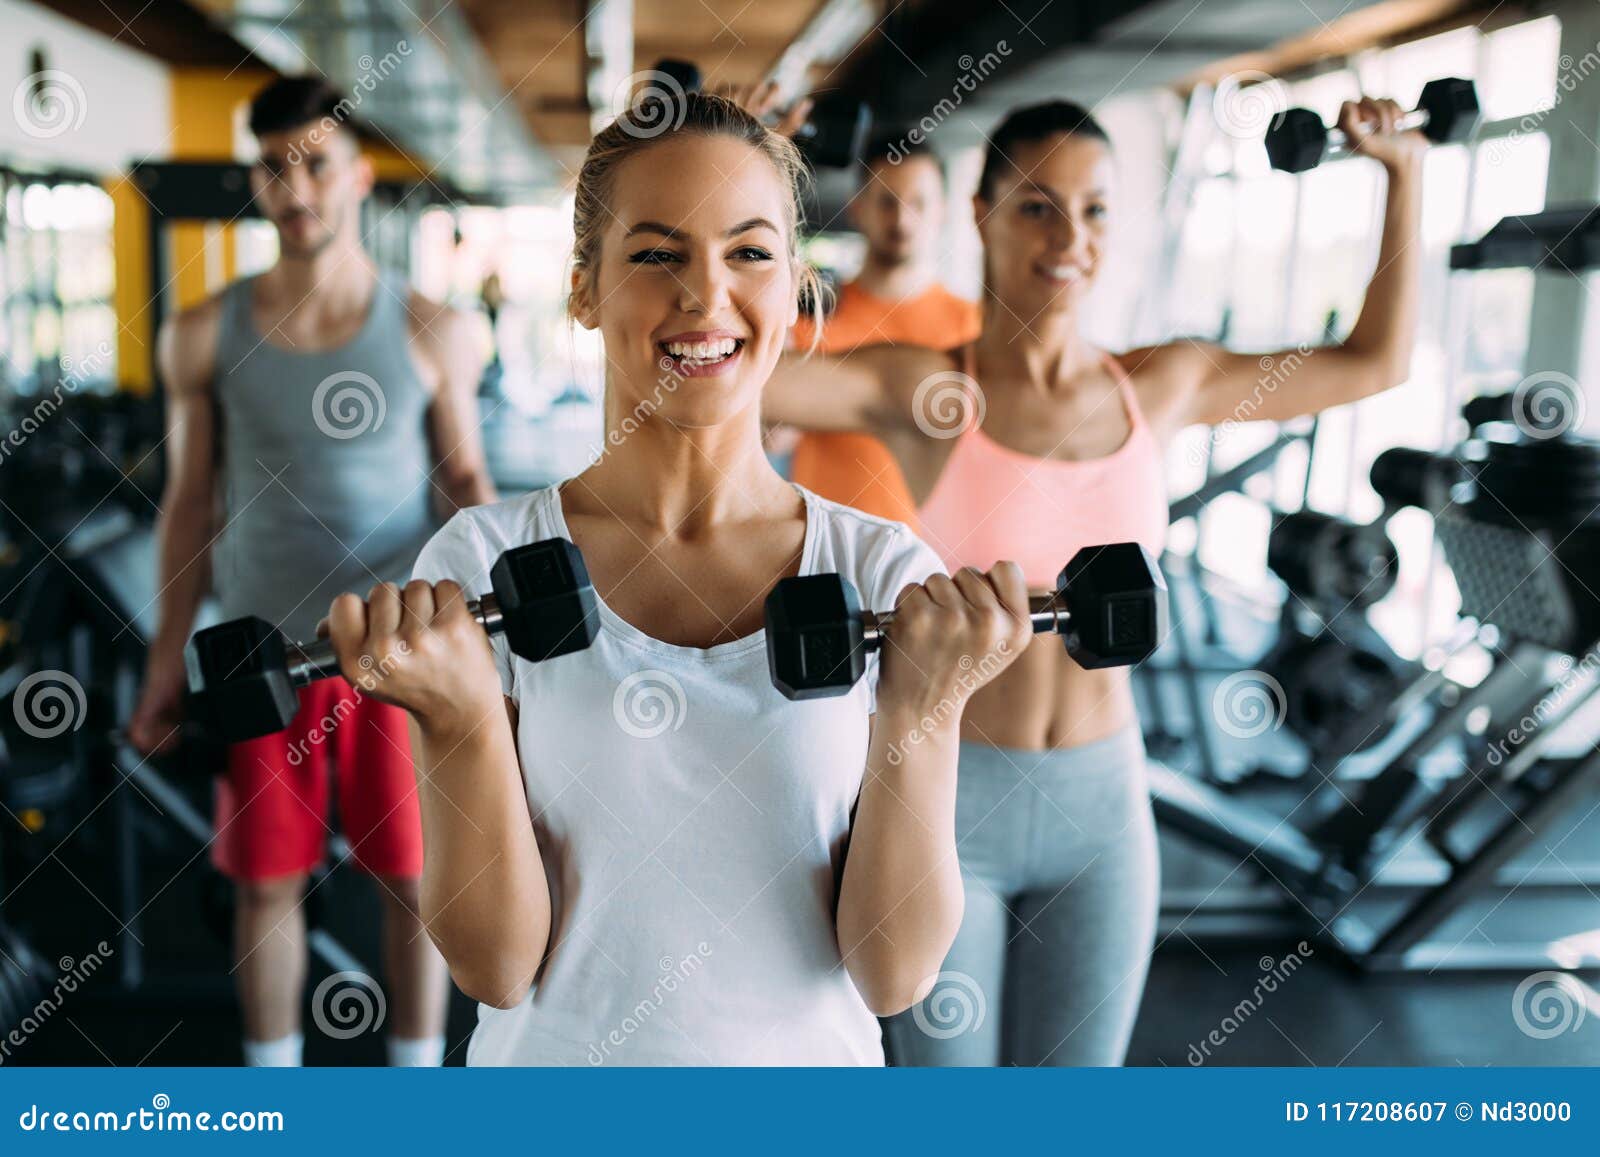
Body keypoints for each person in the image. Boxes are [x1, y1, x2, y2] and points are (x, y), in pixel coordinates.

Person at [321, 91, 1035, 1065]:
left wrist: (930, 706)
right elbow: (495, 966)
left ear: (797, 292)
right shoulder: (477, 562)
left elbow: (892, 971)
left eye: (749, 253)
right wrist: (462, 721)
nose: (705, 295)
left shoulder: (881, 572)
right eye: (656, 254)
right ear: (584, 289)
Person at [763, 97, 1423, 1065]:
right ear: (981, 214)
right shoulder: (923, 391)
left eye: (1096, 209)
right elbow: (736, 378)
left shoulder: (1161, 384)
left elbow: (1375, 361)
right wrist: (751, 176)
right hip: (951, 799)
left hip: (1104, 804)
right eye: (1037, 206)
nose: (1069, 237)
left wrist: (1403, 175)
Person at [126, 76, 498, 1067]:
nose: (295, 189)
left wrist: (500, 621)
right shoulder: (204, 332)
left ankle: (415, 1088)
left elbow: (463, 480)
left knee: (412, 877)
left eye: (315, 163)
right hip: (258, 655)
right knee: (265, 880)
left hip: (390, 650)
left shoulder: (431, 328)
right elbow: (189, 502)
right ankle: (274, 1096)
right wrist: (167, 664)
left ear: (357, 176)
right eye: (274, 166)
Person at [787, 137, 980, 525]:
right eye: (887, 201)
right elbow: (774, 439)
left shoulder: (976, 327)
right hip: (825, 547)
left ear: (941, 211)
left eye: (918, 202)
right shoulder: (810, 318)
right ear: (858, 209)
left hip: (936, 554)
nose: (902, 218)